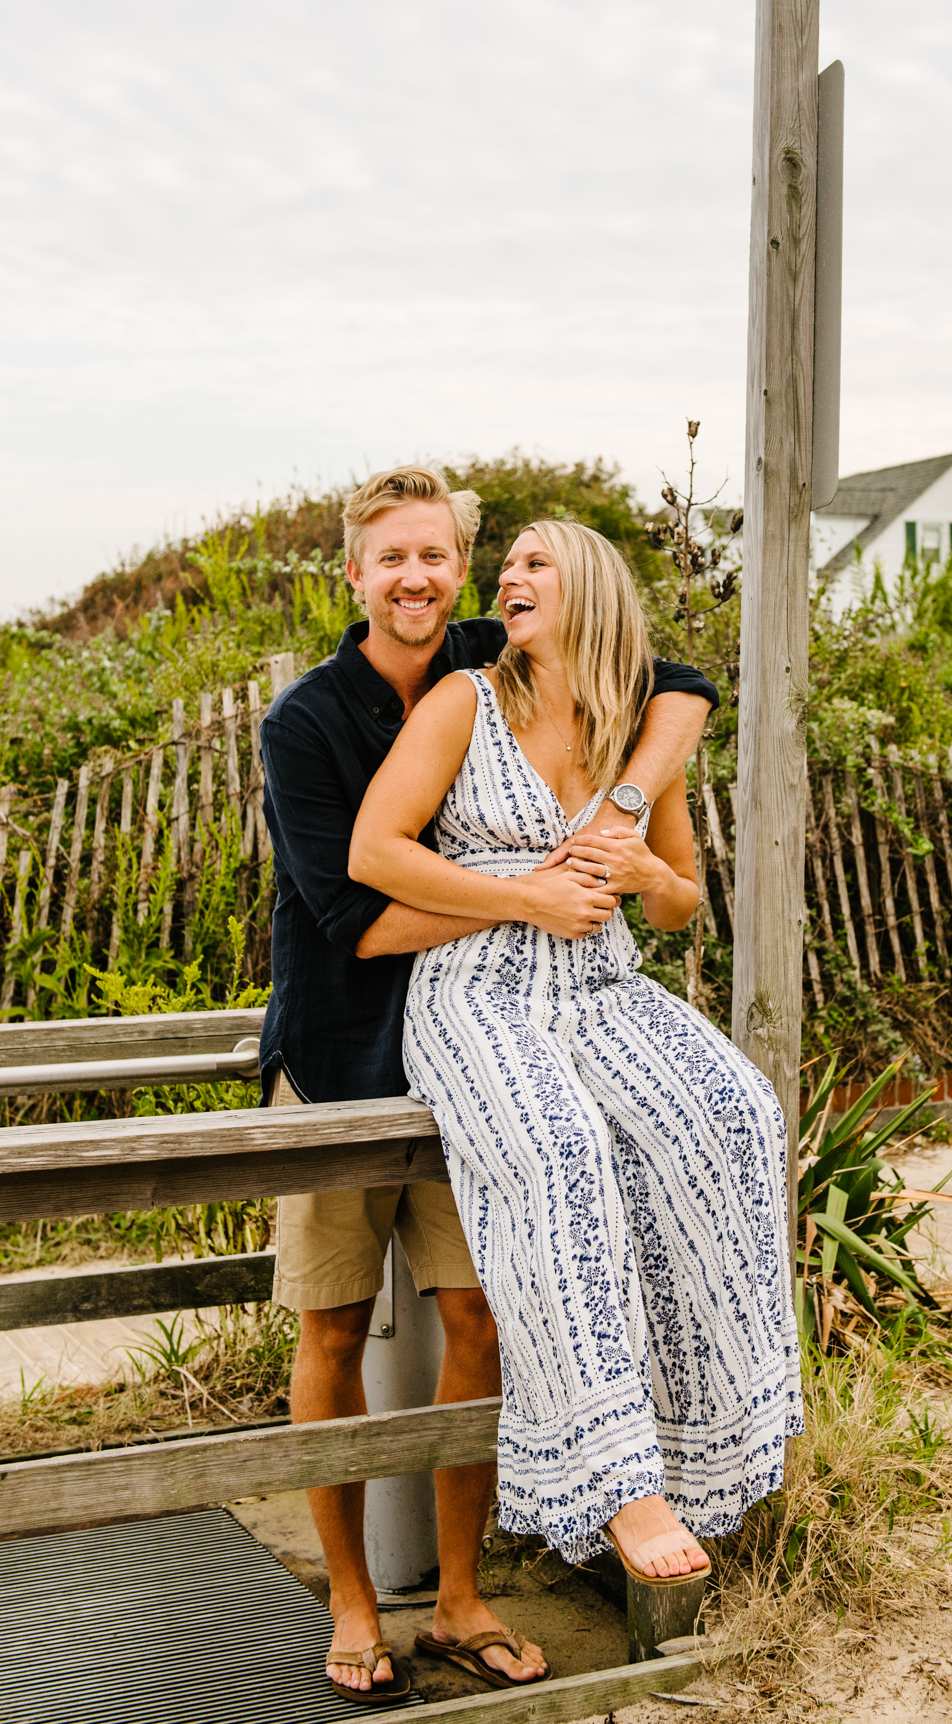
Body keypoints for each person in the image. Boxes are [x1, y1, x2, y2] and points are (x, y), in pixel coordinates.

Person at [257, 467, 717, 1700]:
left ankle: (459, 1595)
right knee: (334, 1323)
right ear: (353, 574)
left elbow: (678, 688)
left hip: (491, 1053)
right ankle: (354, 1598)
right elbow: (353, 912)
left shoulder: (487, 654)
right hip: (346, 1054)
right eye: (391, 557)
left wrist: (617, 807)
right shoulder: (305, 723)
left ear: (458, 568)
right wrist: (531, 893)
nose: (418, 578)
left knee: (483, 1314)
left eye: (437, 556)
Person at [350, 518, 802, 1598]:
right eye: (504, 566)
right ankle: (616, 1478)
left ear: (590, 589)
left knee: (736, 1111)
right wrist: (521, 895)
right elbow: (376, 851)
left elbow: (684, 904)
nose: (509, 577)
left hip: (601, 983)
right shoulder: (466, 700)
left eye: (534, 563)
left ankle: (708, 1438)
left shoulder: (638, 735)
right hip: (477, 989)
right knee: (559, 1153)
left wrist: (644, 860)